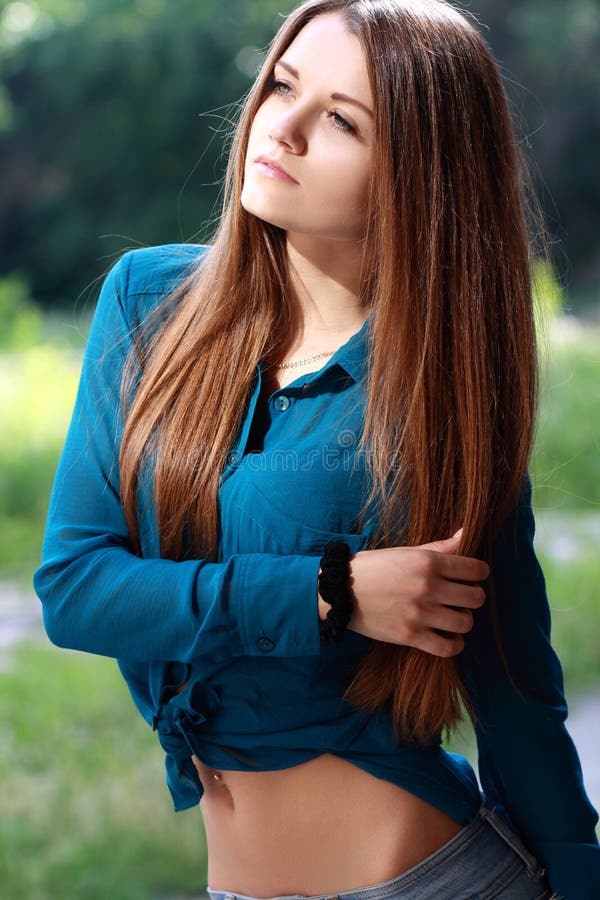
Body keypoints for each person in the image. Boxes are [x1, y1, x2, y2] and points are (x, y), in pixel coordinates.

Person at [34, 1, 599, 898]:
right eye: (284, 85)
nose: (281, 128)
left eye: (341, 120)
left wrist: (577, 872)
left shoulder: (440, 398)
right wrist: (327, 593)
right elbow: (74, 589)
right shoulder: (148, 303)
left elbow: (516, 696)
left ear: (421, 175)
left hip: (433, 877)